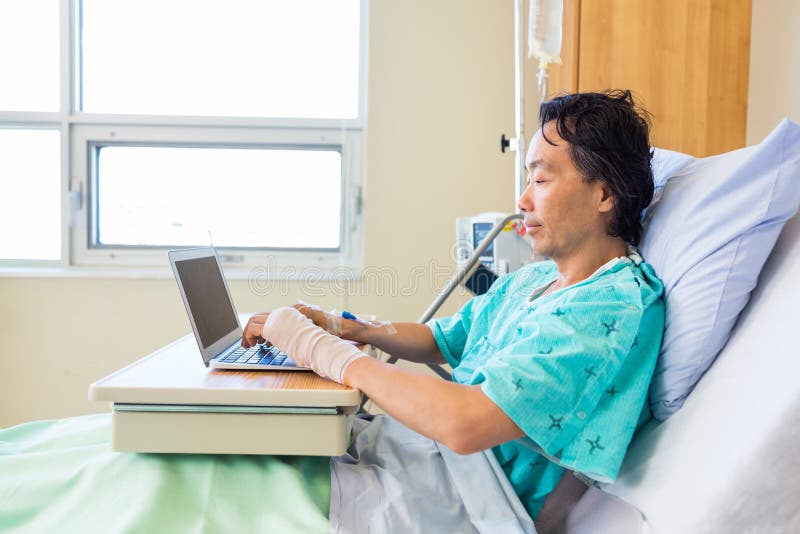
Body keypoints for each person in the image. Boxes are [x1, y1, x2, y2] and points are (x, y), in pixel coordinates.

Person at [242, 90, 665, 524]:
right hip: (415, 455)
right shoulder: (536, 279)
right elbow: (443, 338)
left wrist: (323, 351)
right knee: (246, 450)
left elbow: (467, 423)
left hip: (461, 498)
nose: (522, 201)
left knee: (228, 484)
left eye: (540, 181)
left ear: (605, 195)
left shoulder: (611, 306)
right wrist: (348, 328)